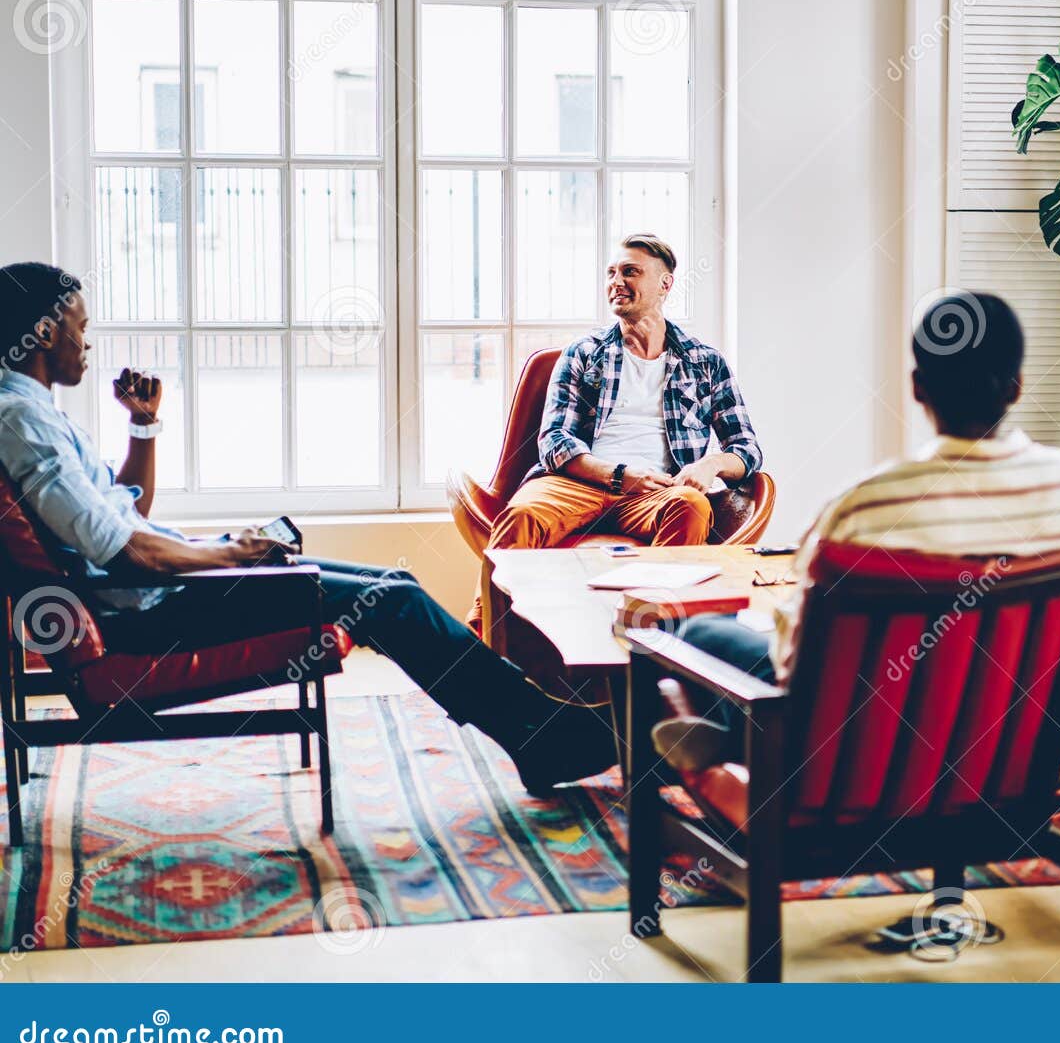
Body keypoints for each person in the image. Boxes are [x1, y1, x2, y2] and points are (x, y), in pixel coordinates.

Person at [0, 262, 614, 795]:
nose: (88, 344)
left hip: (164, 591)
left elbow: (128, 514)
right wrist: (230, 552)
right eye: (82, 328)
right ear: (46, 332)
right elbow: (128, 552)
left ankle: (535, 730)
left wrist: (143, 427)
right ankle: (540, 734)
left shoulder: (37, 415)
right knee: (392, 600)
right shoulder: (23, 423)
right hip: (154, 614)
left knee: (392, 585)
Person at [647, 291, 1060, 769]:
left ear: (917, 388)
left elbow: (794, 661)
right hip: (1005, 779)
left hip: (857, 775)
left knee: (702, 632)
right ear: (1017, 387)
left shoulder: (864, 508)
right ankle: (733, 740)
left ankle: (736, 744)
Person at [485, 234, 762, 554]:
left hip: (658, 492)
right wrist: (618, 476)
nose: (617, 281)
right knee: (521, 516)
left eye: (630, 272)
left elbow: (746, 449)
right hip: (577, 485)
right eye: (611, 273)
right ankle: (491, 608)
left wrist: (710, 465)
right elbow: (554, 441)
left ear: (665, 284)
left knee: (692, 506)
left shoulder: (706, 363)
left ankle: (653, 603)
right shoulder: (584, 352)